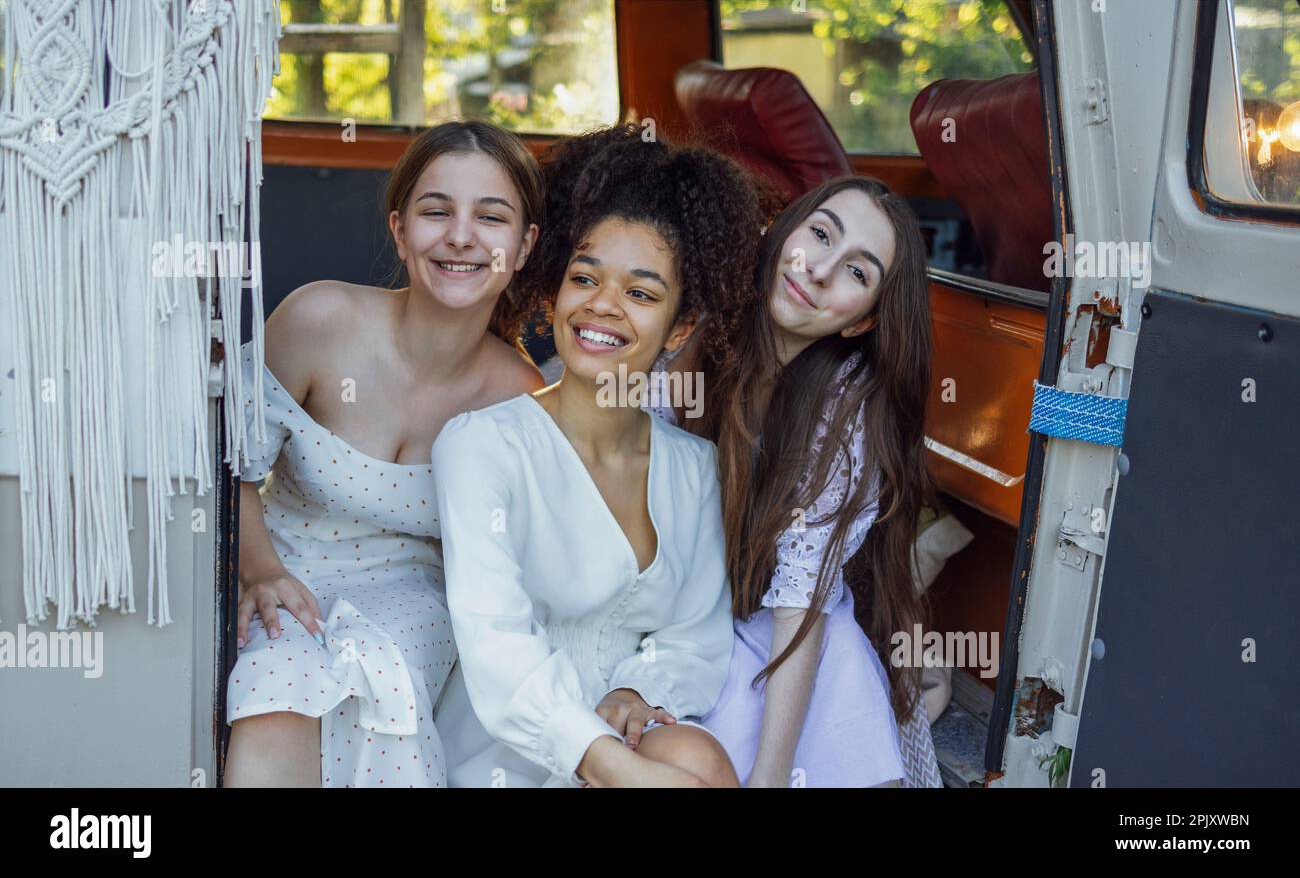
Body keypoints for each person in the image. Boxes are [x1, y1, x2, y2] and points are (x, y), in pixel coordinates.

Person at [429, 124, 765, 787]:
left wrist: (639, 690)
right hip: (509, 745)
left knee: (699, 756)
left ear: (683, 326)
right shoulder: (479, 445)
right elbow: (498, 645)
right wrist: (607, 760)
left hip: (622, 729)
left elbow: (695, 637)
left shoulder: (694, 468)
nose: (603, 306)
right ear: (556, 292)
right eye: (586, 277)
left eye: (641, 293)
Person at [224, 121, 545, 787]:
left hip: (414, 600)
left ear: (523, 247)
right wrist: (259, 570)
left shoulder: (521, 398)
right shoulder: (320, 319)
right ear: (400, 231)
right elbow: (228, 470)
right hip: (280, 565)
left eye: (491, 217)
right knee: (277, 667)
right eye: (437, 211)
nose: (461, 236)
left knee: (381, 666)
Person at [646, 176, 944, 787]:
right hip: (679, 611)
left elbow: (800, 600)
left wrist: (770, 776)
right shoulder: (703, 319)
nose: (820, 270)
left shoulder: (846, 405)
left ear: (863, 322)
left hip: (790, 632)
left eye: (858, 274)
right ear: (783, 234)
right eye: (819, 235)